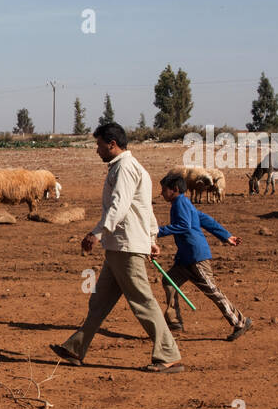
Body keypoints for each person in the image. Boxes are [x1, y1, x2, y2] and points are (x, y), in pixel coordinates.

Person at [50, 123, 183, 372]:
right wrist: (152, 238)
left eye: (99, 144)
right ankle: (75, 348)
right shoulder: (130, 168)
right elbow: (145, 209)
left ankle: (168, 354)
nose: (96, 150)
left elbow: (119, 206)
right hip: (120, 246)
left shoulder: (125, 168)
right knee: (99, 302)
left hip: (125, 246)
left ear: (112, 144)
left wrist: (97, 233)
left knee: (142, 301)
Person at [154, 172, 252, 341]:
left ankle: (240, 322)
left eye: (164, 190)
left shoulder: (180, 203)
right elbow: (204, 219)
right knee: (169, 282)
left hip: (195, 256)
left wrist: (156, 232)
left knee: (212, 290)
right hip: (185, 258)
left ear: (175, 189)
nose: (161, 193)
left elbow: (183, 226)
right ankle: (174, 323)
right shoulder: (185, 203)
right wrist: (226, 235)